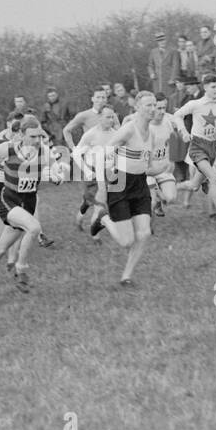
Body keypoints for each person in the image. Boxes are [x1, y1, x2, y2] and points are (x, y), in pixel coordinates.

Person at [0, 115, 58, 298]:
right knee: (34, 227)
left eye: (39, 136)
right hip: (9, 201)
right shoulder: (9, 148)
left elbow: (55, 168)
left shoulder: (44, 151)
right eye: (32, 136)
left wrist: (56, 175)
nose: (37, 140)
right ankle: (21, 270)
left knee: (1, 248)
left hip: (28, 203)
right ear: (21, 134)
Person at [85, 94, 155, 286]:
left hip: (140, 184)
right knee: (126, 241)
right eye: (148, 105)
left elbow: (149, 164)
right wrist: (101, 187)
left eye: (154, 105)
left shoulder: (152, 132)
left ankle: (126, 276)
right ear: (138, 107)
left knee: (144, 233)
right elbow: (101, 156)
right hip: (120, 182)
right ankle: (103, 219)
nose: (153, 109)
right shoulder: (128, 130)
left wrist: (161, 172)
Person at [171, 74, 216, 229]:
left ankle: (168, 188)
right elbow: (177, 115)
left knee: (194, 185)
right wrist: (183, 131)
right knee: (214, 178)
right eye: (213, 87)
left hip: (213, 147)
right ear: (205, 87)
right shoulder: (195, 104)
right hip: (197, 146)